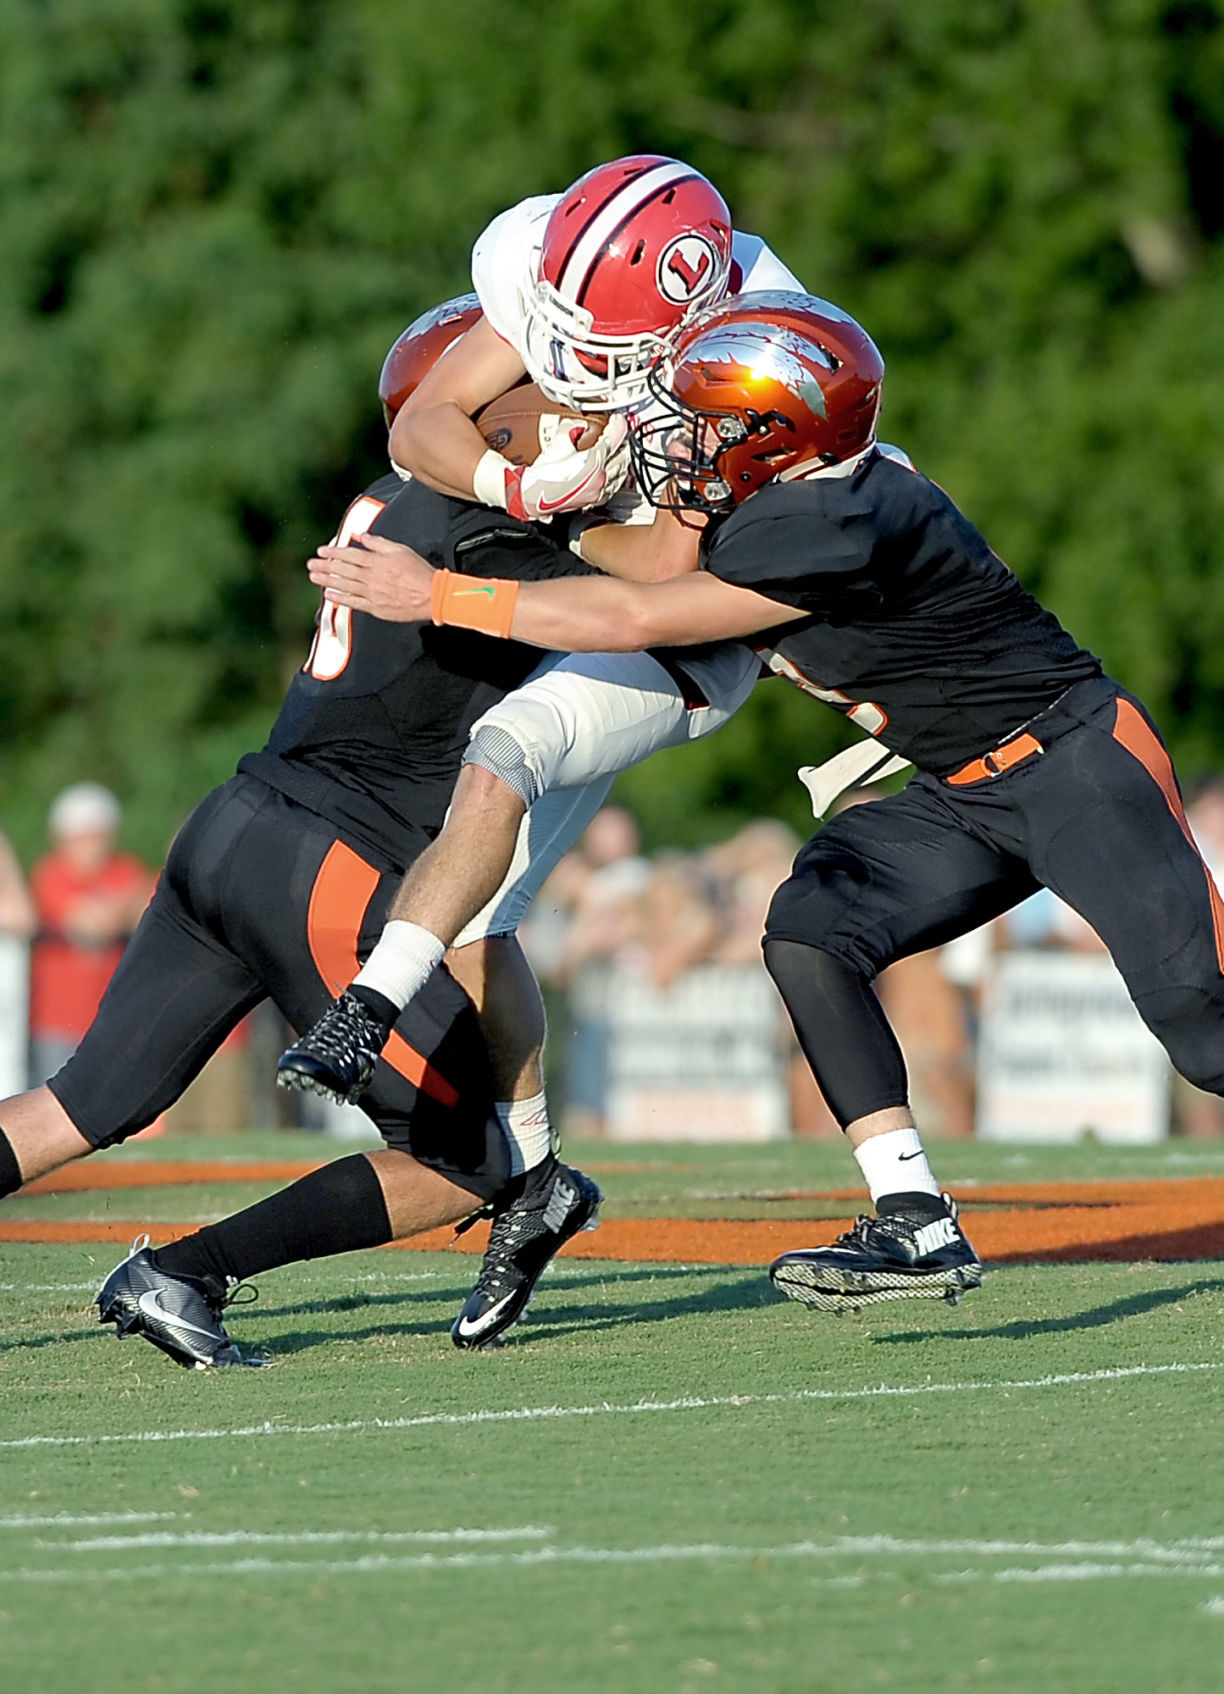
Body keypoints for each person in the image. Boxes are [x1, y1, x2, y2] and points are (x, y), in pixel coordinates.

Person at [306, 289, 1224, 1313]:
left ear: (779, 438)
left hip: (1074, 765)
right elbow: (647, 559)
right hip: (961, 789)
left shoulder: (833, 521)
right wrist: (544, 507)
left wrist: (437, 590)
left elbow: (639, 609)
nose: (686, 437)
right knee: (811, 925)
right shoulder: (797, 493)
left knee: (1204, 1029)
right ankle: (914, 1216)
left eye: (712, 420)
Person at [0, 318, 623, 1369]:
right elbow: (640, 607)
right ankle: (185, 1270)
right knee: (473, 1161)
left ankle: (181, 1272)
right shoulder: (478, 529)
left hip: (233, 823)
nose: (580, 411)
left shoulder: (399, 500)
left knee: (82, 1103)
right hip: (325, 861)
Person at [28, 785, 153, 1086]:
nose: (92, 846)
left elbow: (149, 909)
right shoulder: (51, 873)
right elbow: (90, 922)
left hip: (113, 1018)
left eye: (98, 836)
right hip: (58, 1022)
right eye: (82, 838)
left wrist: (115, 907)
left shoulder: (124, 869)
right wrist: (123, 903)